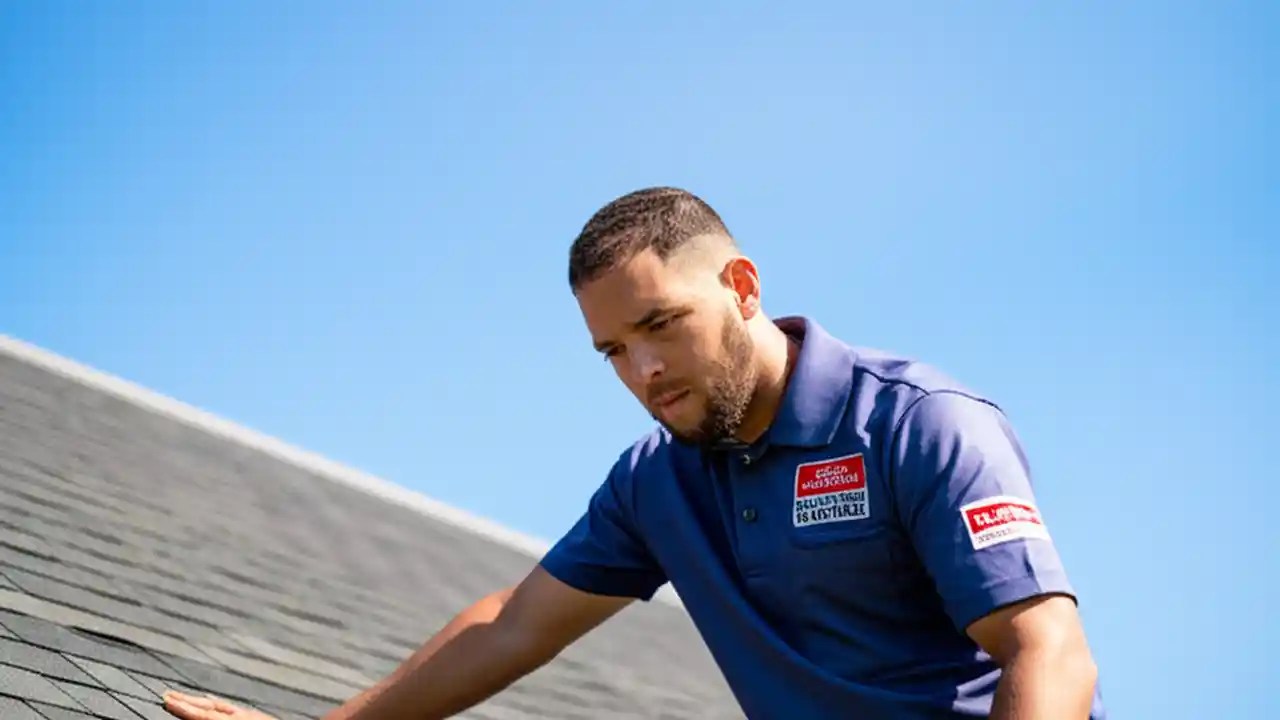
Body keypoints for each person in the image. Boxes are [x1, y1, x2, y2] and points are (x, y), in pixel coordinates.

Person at [163, 187, 1105, 720]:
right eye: (614, 350)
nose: (645, 372)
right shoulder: (657, 482)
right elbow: (514, 626)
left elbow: (1048, 653)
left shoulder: (919, 425)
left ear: (742, 286)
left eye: (662, 325)